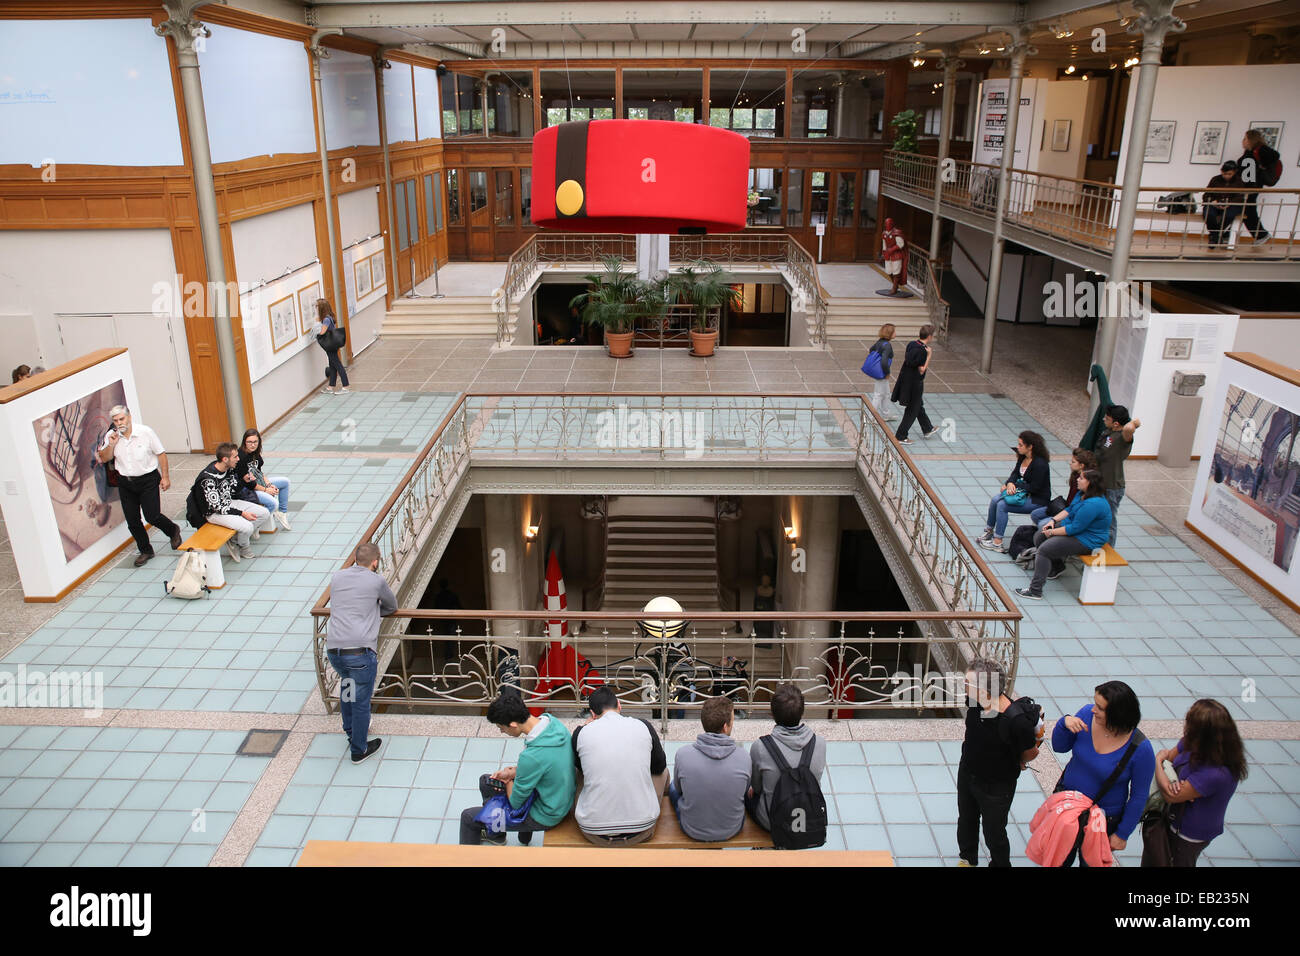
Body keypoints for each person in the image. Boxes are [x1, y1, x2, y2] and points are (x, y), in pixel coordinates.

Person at [1051, 680, 1155, 867]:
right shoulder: (1085, 715)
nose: (1093, 710)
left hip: (1103, 821)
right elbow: (1059, 747)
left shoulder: (1141, 749)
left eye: (1100, 707)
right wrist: (1064, 723)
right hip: (1068, 810)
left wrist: (1122, 834)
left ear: (1117, 715)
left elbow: (1139, 796)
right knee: (1058, 861)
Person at [458, 690, 576, 846]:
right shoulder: (553, 725)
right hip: (559, 796)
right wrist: (514, 771)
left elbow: (515, 803)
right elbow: (545, 763)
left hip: (546, 813)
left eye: (501, 727)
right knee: (486, 781)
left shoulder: (531, 757)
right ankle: (497, 835)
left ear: (513, 724)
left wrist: (508, 780)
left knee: (468, 817)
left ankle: (466, 857)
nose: (501, 731)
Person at [956, 658, 1042, 867]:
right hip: (968, 772)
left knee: (994, 831)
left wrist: (1018, 760)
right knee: (967, 820)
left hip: (996, 785)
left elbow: (1031, 752)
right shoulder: (976, 702)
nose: (964, 688)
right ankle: (968, 858)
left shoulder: (1016, 721)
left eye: (968, 684)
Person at [1143, 699, 1248, 867]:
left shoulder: (1216, 773)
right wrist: (1172, 778)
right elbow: (1171, 758)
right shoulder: (1192, 742)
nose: (1186, 728)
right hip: (1171, 818)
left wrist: (1157, 761)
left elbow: (1171, 794)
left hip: (1188, 833)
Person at [326, 542, 397, 764]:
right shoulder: (376, 580)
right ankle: (359, 749)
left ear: (356, 559)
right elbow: (391, 606)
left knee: (348, 689)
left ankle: (350, 731)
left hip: (335, 650)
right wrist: (374, 610)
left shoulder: (337, 577)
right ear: (375, 561)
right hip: (359, 652)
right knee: (361, 701)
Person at [572, 685, 669, 845]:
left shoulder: (581, 732)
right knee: (663, 772)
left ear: (593, 714)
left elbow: (581, 768)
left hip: (593, 831)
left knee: (581, 770)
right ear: (619, 705)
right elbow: (659, 767)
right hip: (643, 828)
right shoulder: (643, 725)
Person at [97, 405, 183, 567]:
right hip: (125, 482)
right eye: (115, 420)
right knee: (133, 520)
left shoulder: (145, 432)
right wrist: (112, 445)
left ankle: (173, 530)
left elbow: (161, 454)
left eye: (121, 419)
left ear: (129, 417)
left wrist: (165, 477)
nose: (119, 423)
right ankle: (145, 550)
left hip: (148, 479)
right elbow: (104, 457)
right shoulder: (111, 436)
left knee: (152, 516)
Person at [1014, 469, 1110, 600]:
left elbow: (1074, 529)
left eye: (1081, 478)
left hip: (1087, 540)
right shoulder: (1082, 493)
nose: (1077, 479)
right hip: (1075, 529)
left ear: (1090, 483)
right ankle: (1056, 566)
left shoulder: (1093, 504)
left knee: (1044, 550)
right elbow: (1069, 510)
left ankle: (1035, 590)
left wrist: (1052, 531)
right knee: (1039, 536)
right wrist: (1052, 521)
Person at [669, 696, 751, 842]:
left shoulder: (683, 754)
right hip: (732, 828)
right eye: (733, 720)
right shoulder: (744, 757)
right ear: (725, 727)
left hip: (692, 828)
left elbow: (679, 789)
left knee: (672, 788)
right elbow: (745, 791)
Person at [746, 683, 826, 831]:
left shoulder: (760, 746)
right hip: (808, 817)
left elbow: (756, 787)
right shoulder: (820, 744)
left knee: (747, 794)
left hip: (773, 822)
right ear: (802, 713)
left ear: (773, 714)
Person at [194, 442, 272, 562]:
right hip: (214, 513)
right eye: (235, 456)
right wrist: (241, 513)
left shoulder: (228, 469)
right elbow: (217, 507)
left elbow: (234, 488)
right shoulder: (207, 479)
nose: (238, 459)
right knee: (247, 527)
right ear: (225, 459)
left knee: (264, 513)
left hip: (229, 503)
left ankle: (235, 540)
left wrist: (245, 480)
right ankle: (243, 547)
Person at [978, 431, 1051, 553]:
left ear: (1030, 447)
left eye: (1021, 445)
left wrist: (1015, 486)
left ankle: (997, 542)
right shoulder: (1023, 457)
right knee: (996, 499)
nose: (1018, 447)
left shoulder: (1040, 464)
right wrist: (1009, 483)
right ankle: (989, 531)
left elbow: (1035, 487)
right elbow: (1015, 473)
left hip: (1037, 499)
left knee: (1002, 506)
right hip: (1023, 493)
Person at [1089, 404, 1140, 546]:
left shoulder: (1123, 437)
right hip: (1100, 483)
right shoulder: (1109, 432)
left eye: (1107, 418)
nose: (1104, 419)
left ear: (1116, 423)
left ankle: (1109, 550)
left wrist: (1134, 423)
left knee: (1109, 520)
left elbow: (1131, 427)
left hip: (1112, 487)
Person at [891, 324, 939, 445]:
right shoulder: (923, 351)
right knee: (913, 409)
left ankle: (927, 428)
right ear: (929, 336)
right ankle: (901, 435)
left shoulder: (912, 344)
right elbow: (921, 369)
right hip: (915, 384)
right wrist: (929, 356)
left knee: (918, 405)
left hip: (906, 380)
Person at [236, 428, 291, 531]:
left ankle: (282, 513)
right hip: (247, 489)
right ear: (244, 442)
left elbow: (259, 472)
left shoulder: (255, 453)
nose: (253, 445)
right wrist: (266, 490)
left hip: (258, 482)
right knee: (273, 503)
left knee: (285, 482)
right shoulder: (241, 457)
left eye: (255, 442)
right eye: (249, 442)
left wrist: (269, 484)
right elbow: (249, 484)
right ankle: (256, 525)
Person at [1029, 447, 1096, 528]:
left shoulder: (1086, 482)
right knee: (1035, 514)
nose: (1070, 463)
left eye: (1073, 462)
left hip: (1072, 513)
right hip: (1066, 508)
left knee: (1042, 524)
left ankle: (1044, 536)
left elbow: (1077, 507)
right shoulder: (1075, 475)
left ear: (1081, 465)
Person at [1236, 129, 1281, 245]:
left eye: (1245, 138)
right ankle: (1260, 235)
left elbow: (1275, 155)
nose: (1243, 141)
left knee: (1248, 210)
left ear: (1251, 140)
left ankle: (1261, 235)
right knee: (1246, 210)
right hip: (1248, 186)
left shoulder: (1260, 150)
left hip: (1252, 187)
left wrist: (1261, 166)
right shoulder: (1249, 152)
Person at [1202, 161, 1247, 248]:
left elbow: (1240, 197)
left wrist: (1229, 203)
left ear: (1235, 172)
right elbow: (1206, 195)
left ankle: (1214, 236)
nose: (1226, 176)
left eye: (1229, 174)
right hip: (1215, 204)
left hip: (1231, 205)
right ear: (1221, 171)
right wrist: (1212, 201)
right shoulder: (1215, 179)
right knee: (1208, 212)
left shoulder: (1239, 181)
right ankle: (1217, 235)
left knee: (1229, 215)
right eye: (1224, 173)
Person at [315, 298, 350, 394]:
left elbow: (322, 332)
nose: (316, 308)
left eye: (317, 306)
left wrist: (317, 324)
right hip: (333, 344)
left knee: (338, 365)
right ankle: (331, 386)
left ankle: (345, 386)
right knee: (332, 365)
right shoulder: (329, 316)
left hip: (330, 345)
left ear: (321, 308)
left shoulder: (326, 319)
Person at [864, 323, 897, 422]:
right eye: (894, 331)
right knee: (878, 395)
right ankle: (869, 416)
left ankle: (886, 414)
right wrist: (887, 373)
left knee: (886, 393)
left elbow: (871, 350)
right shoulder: (887, 346)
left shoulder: (880, 342)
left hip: (879, 372)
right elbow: (884, 361)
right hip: (882, 373)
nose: (896, 333)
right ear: (890, 334)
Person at [880, 217, 908, 295]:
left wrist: (892, 250)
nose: (887, 225)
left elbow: (901, 244)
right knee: (888, 271)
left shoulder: (897, 233)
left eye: (889, 224)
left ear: (892, 224)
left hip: (896, 255)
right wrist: (884, 253)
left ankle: (894, 288)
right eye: (886, 224)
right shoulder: (884, 233)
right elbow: (884, 244)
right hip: (888, 255)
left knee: (896, 271)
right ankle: (895, 285)